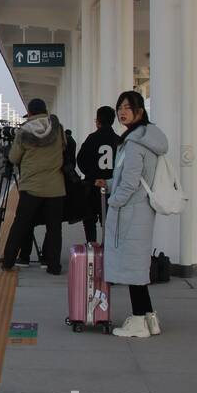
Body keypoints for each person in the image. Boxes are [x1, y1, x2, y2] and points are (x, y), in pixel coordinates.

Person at [97, 90, 168, 338]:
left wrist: (114, 202)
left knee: (132, 269)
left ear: (140, 111)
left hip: (130, 212)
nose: (122, 112)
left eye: (128, 107)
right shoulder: (143, 137)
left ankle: (138, 322)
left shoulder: (135, 143)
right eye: (120, 108)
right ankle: (150, 318)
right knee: (137, 267)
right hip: (139, 211)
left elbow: (130, 182)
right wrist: (110, 183)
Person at [2, 98, 66, 275]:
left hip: (31, 187)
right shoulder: (57, 128)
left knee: (20, 225)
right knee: (54, 229)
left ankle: (8, 262)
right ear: (45, 110)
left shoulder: (23, 132)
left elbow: (14, 158)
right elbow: (64, 149)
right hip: (55, 187)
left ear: (29, 113)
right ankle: (54, 266)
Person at [76, 106, 119, 243]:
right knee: (108, 221)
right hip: (112, 187)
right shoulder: (118, 140)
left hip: (92, 186)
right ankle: (107, 249)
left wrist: (90, 175)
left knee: (89, 219)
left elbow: (81, 159)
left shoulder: (92, 138)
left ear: (98, 121)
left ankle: (92, 246)